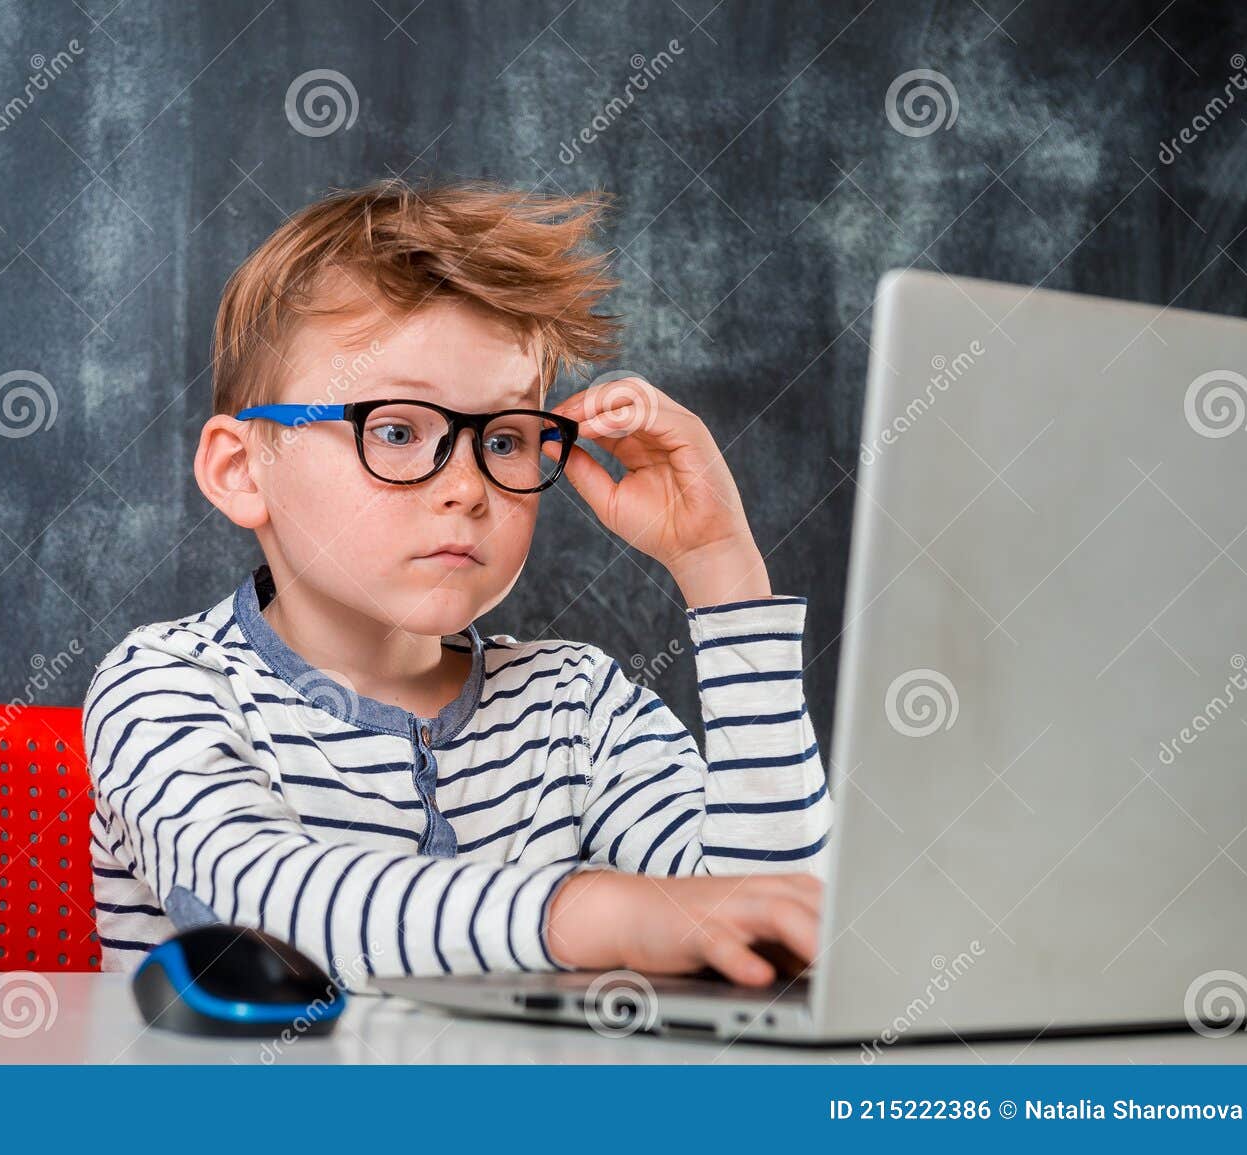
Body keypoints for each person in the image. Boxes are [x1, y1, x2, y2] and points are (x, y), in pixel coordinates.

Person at [82, 177, 831, 993]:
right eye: (397, 428)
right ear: (241, 469)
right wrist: (592, 914)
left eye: (504, 439)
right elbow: (265, 907)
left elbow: (777, 931)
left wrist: (722, 570)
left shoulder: (578, 706)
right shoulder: (164, 687)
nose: (468, 487)